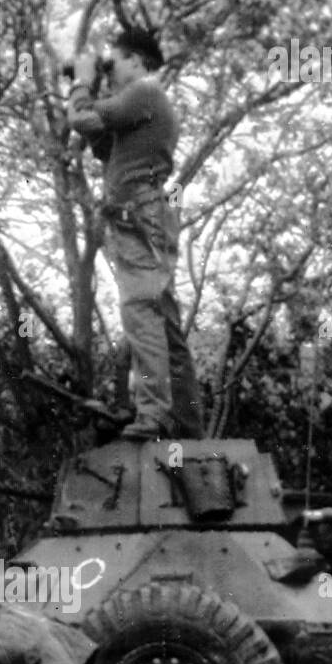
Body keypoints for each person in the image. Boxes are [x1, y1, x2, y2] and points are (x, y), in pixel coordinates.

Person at [67, 27, 204, 441]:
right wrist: (93, 86)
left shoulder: (145, 92)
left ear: (136, 62)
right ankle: (185, 423)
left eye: (115, 62)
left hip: (138, 218)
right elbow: (103, 144)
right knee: (163, 322)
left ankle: (154, 415)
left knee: (140, 311)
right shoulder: (144, 104)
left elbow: (79, 116)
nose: (113, 71)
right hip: (145, 218)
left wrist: (81, 80)